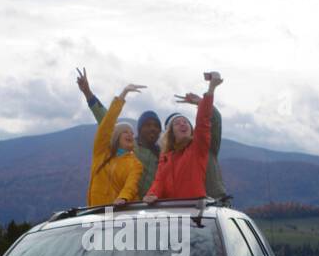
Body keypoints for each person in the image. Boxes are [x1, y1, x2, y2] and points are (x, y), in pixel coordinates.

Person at [76, 68, 227, 199]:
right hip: (147, 210)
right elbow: (108, 123)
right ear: (139, 130)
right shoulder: (133, 149)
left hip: (205, 208)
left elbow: (211, 122)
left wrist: (203, 101)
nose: (152, 129)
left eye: (156, 126)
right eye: (147, 125)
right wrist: (89, 94)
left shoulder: (169, 154)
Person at [144, 71, 223, 202]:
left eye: (186, 122)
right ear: (171, 133)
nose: (182, 124)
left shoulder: (197, 148)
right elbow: (159, 181)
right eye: (177, 123)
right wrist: (152, 194)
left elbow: (204, 122)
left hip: (196, 211)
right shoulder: (166, 157)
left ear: (192, 130)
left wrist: (210, 91)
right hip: (174, 211)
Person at [87, 83, 146, 207]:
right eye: (125, 132)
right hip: (95, 212)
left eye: (132, 133)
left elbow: (132, 184)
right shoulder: (101, 153)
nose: (130, 135)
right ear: (116, 136)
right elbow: (107, 123)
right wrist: (123, 94)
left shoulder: (135, 164)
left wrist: (123, 198)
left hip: (120, 212)